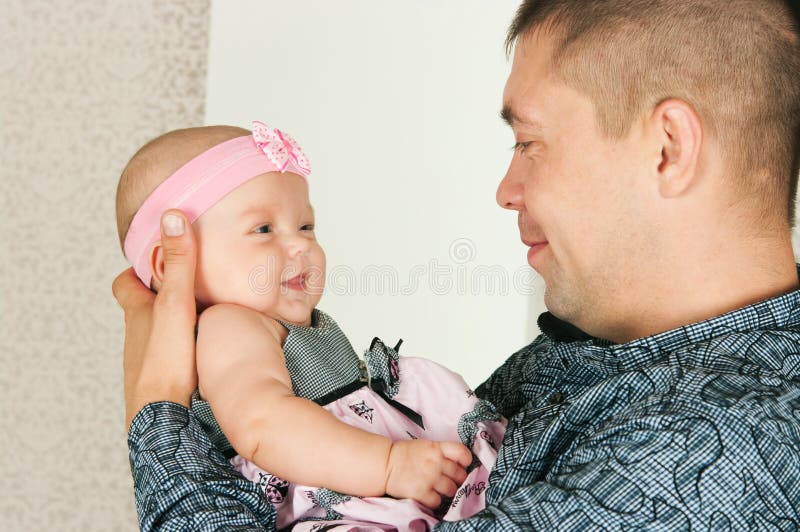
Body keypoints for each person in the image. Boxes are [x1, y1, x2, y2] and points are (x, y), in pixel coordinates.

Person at [114, 0, 800, 529]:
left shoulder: (707, 457)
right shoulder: (605, 353)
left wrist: (157, 415)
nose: (506, 190)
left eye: (530, 142)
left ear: (668, 149)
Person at [115, 121, 505, 530]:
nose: (301, 244)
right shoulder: (227, 327)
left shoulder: (273, 325)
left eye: (305, 226)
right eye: (263, 230)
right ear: (169, 264)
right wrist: (388, 466)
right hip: (330, 503)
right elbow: (263, 424)